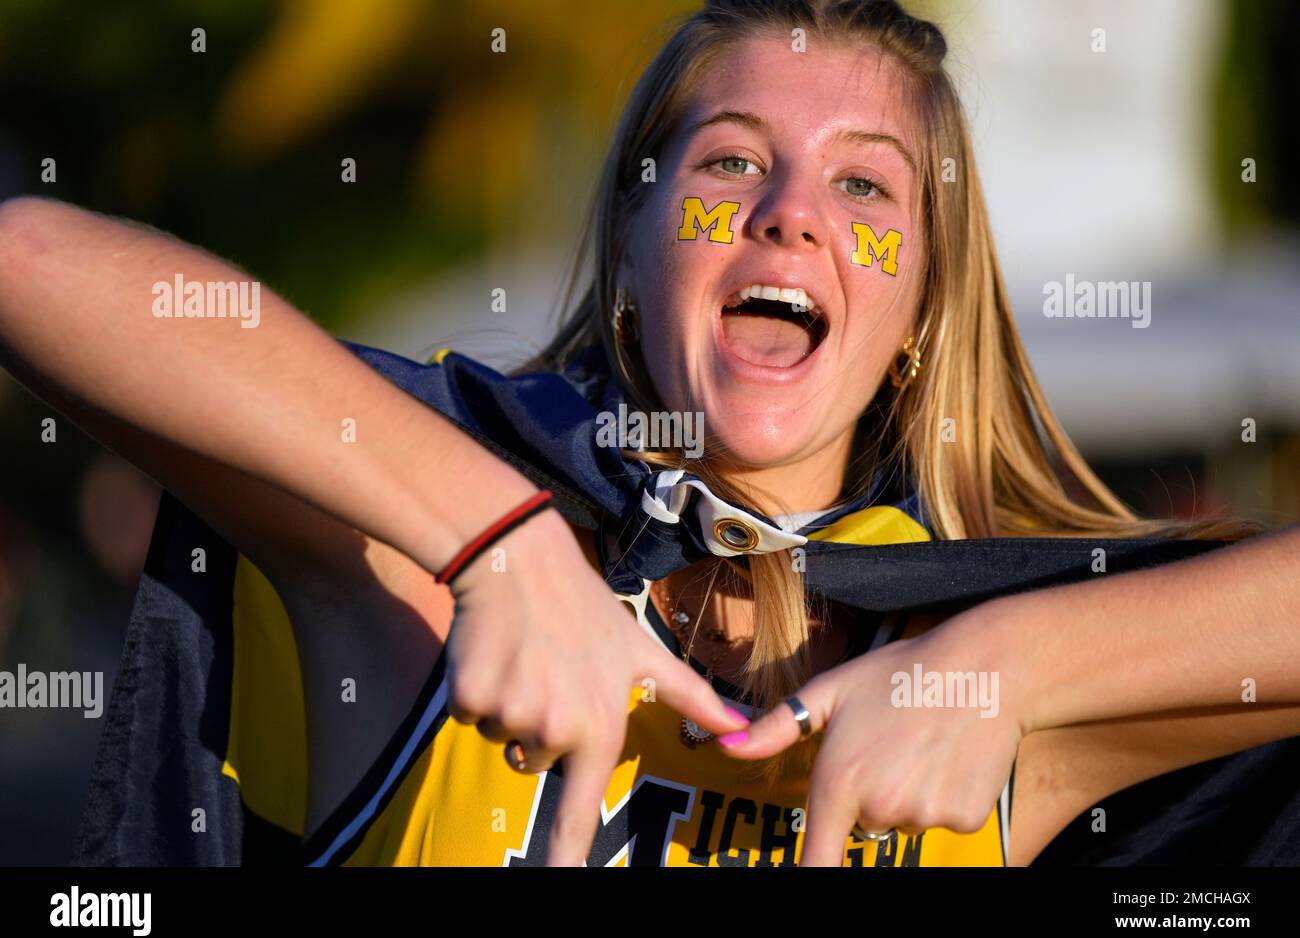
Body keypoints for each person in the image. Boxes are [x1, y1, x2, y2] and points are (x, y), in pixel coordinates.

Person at [2, 0, 1298, 868]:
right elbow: (29, 258)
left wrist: (1014, 669)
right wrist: (500, 544)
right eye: (731, 162)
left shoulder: (1014, 700)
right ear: (629, 250)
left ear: (920, 307)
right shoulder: (412, 579)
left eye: (863, 184)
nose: (791, 213)